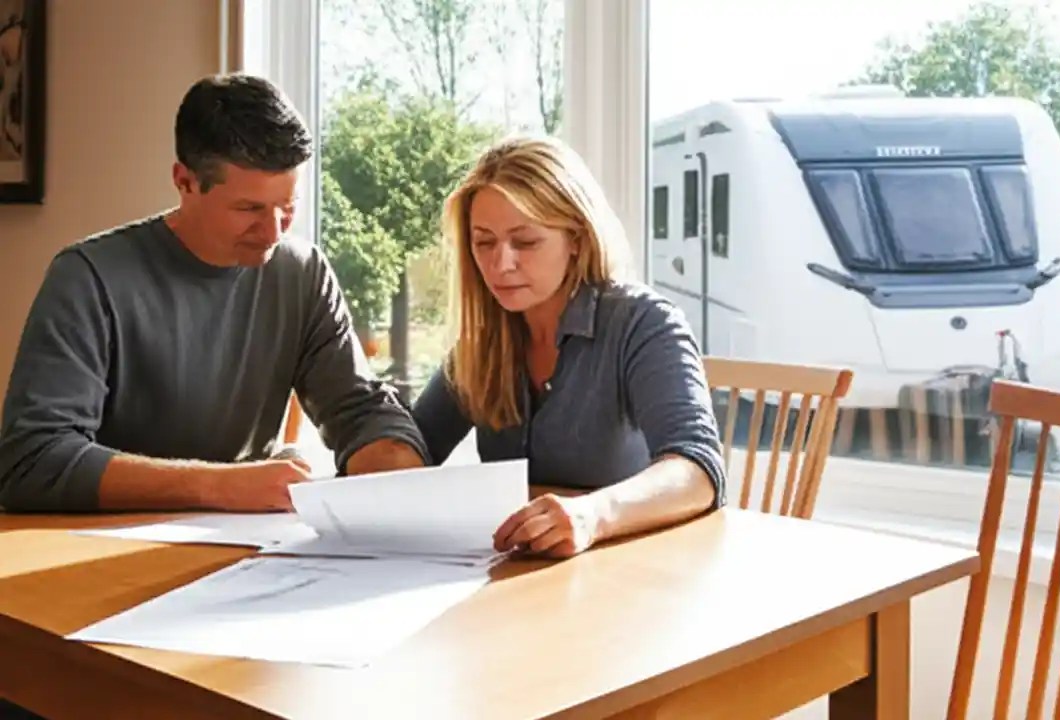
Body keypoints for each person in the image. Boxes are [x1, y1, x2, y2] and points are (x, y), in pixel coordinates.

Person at [0, 73, 427, 513]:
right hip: (95, 552)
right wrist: (220, 486)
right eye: (249, 209)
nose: (273, 231)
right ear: (184, 181)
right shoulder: (88, 277)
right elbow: (33, 460)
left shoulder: (302, 273)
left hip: (242, 552)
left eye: (288, 207)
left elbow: (360, 411)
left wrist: (395, 467)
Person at [411, 135, 726, 559]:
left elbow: (699, 470)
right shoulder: (485, 341)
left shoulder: (642, 322)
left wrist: (592, 515)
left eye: (524, 242)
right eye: (484, 242)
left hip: (631, 575)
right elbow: (412, 451)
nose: (500, 264)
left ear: (576, 237)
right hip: (522, 579)